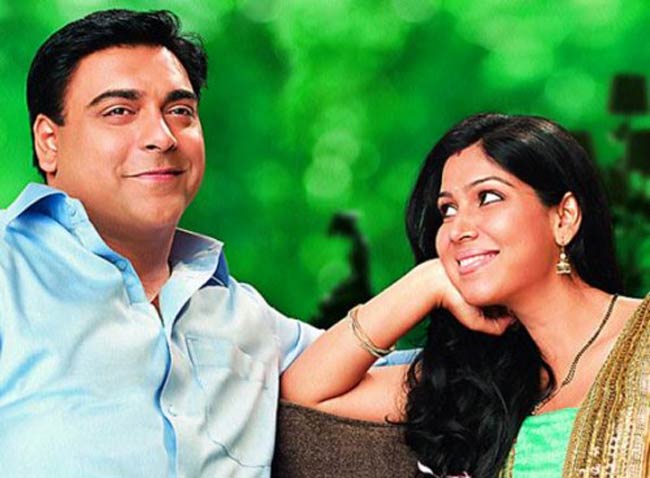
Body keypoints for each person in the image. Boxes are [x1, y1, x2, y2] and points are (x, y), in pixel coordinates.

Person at [0, 9, 322, 477]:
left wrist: (429, 278)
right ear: (49, 142)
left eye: (180, 111)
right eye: (119, 112)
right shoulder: (9, 272)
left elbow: (401, 377)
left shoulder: (239, 312)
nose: (162, 136)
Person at [281, 113, 649, 477]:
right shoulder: (477, 381)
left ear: (564, 217)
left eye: (488, 197)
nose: (458, 229)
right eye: (448, 210)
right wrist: (424, 282)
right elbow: (307, 393)